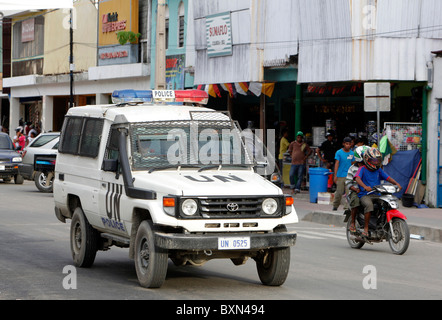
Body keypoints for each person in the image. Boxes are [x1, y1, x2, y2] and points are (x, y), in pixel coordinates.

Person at [354, 147, 402, 237]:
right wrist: (365, 187)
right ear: (367, 160)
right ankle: (366, 228)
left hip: (377, 194)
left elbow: (387, 177)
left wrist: (396, 184)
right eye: (374, 160)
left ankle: (381, 224)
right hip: (365, 195)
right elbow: (357, 178)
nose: (376, 162)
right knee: (369, 205)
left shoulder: (378, 170)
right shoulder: (362, 169)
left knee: (386, 204)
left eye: (378, 160)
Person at [346, 145, 369, 233]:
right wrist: (356, 190)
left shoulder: (371, 168)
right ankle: (352, 222)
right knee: (355, 202)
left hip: (368, 191)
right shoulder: (352, 169)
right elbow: (348, 183)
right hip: (355, 191)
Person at [332, 137, 354, 211]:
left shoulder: (352, 153)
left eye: (349, 144)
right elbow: (336, 164)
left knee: (349, 193)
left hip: (349, 176)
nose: (348, 145)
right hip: (340, 175)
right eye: (346, 144)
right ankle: (335, 205)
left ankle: (347, 207)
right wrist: (335, 175)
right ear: (343, 144)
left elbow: (353, 164)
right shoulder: (339, 153)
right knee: (339, 192)